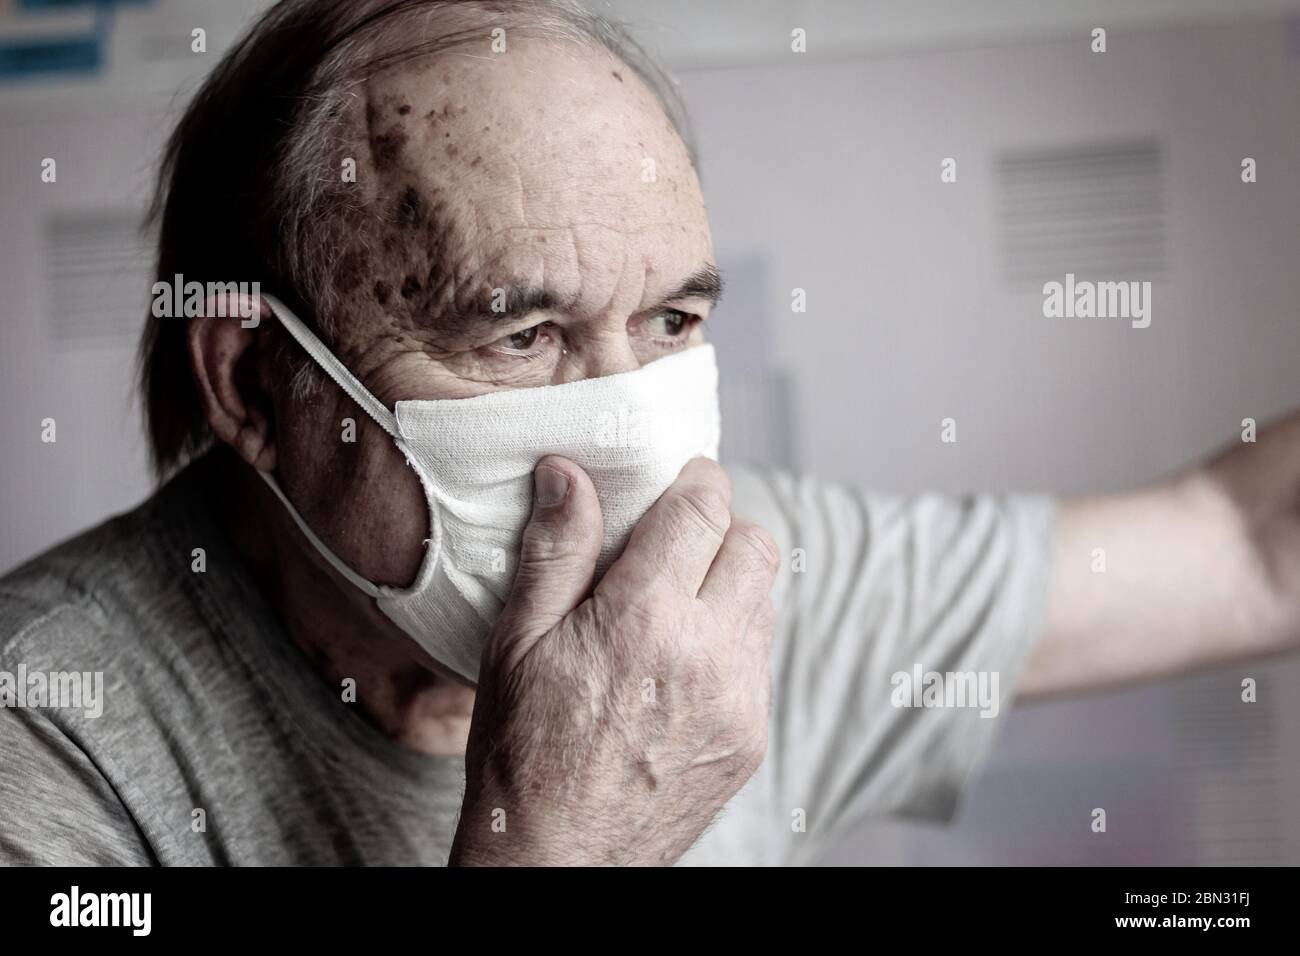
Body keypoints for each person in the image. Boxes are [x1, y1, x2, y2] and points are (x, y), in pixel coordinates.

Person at [2, 0, 1297, 866]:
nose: (628, 444)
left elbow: (1251, 545)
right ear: (251, 387)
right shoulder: (50, 734)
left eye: (673, 319)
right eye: (519, 336)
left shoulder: (731, 582)